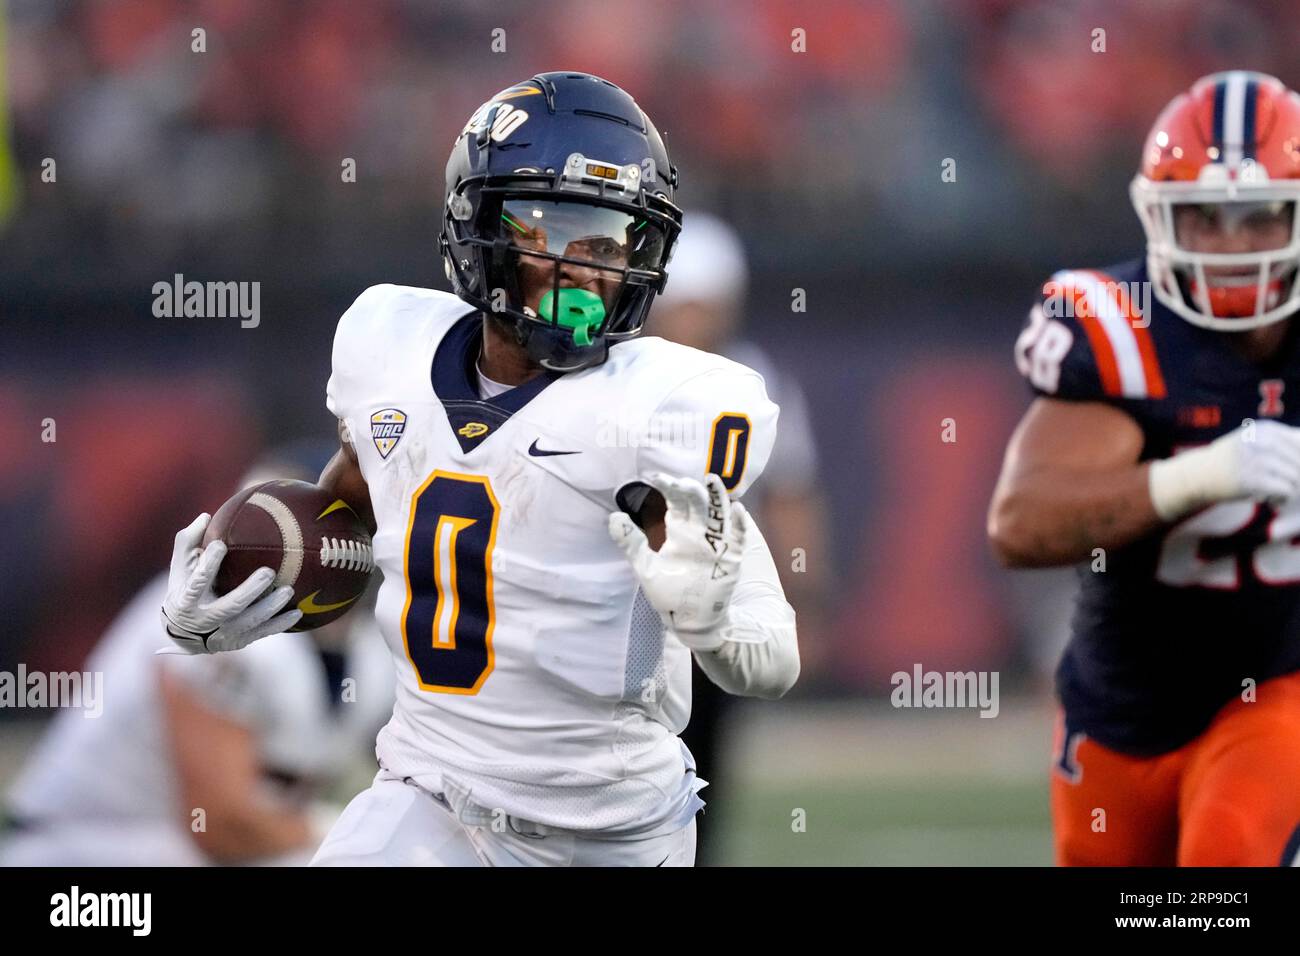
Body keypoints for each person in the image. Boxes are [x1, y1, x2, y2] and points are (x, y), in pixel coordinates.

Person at [157, 73, 800, 867]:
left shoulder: (661, 406)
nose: (588, 275)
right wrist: (245, 601)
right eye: (557, 234)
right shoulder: (386, 349)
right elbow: (351, 520)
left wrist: (718, 629)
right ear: (480, 226)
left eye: (608, 244)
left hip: (609, 835)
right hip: (427, 799)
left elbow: (774, 656)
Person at [989, 71, 1300, 866]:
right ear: (1160, 217)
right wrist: (1202, 475)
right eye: (1205, 218)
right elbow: (1020, 525)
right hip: (1121, 704)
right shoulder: (1122, 327)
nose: (1232, 249)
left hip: (1278, 683)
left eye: (1260, 216)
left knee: (1229, 855)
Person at [0, 443, 392, 866]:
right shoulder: (200, 618)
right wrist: (348, 832)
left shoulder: (375, 649)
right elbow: (222, 826)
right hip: (87, 849)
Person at [653, 212, 829, 863]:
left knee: (706, 770)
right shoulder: (617, 370)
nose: (694, 321)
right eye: (684, 306)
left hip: (712, 607)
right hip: (627, 603)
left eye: (706, 306)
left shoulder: (756, 380)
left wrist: (806, 598)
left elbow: (790, 493)